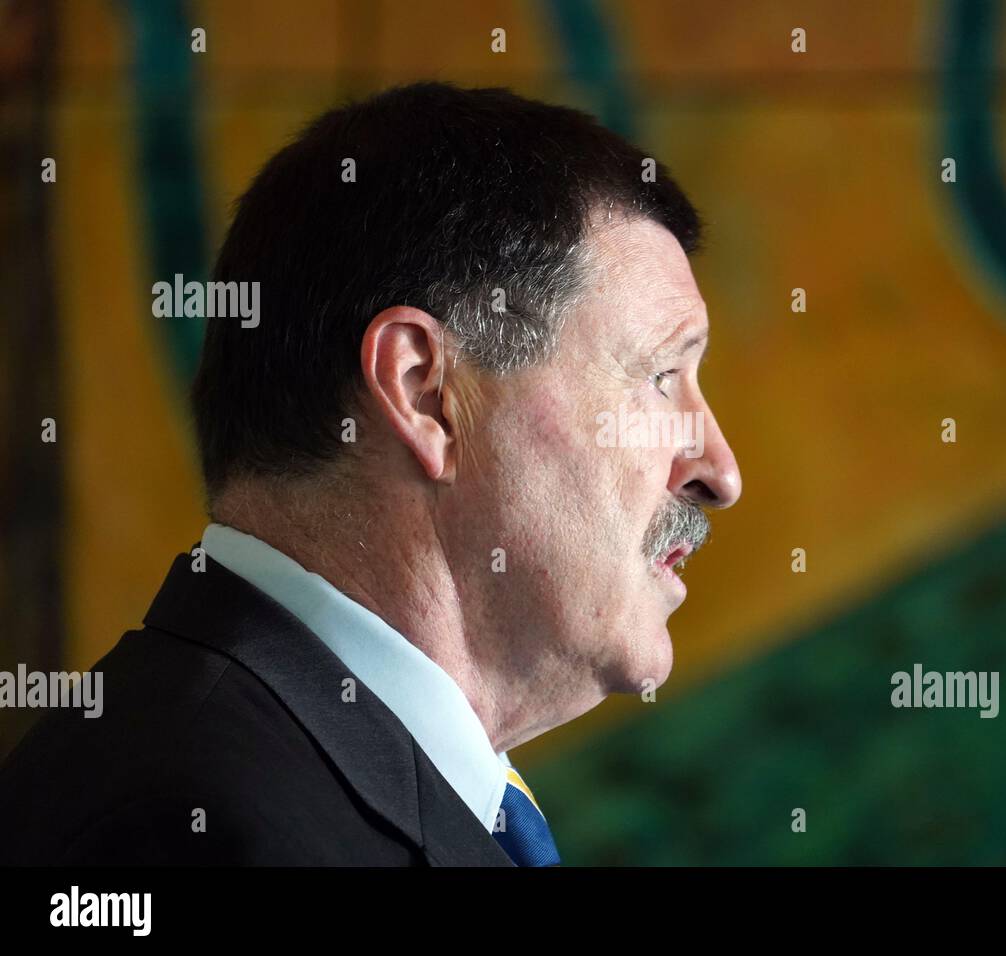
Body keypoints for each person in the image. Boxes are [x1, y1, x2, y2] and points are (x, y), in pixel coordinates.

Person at [0, 81, 742, 865]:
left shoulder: (268, 769)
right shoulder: (190, 830)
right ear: (427, 392)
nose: (718, 472)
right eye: (661, 376)